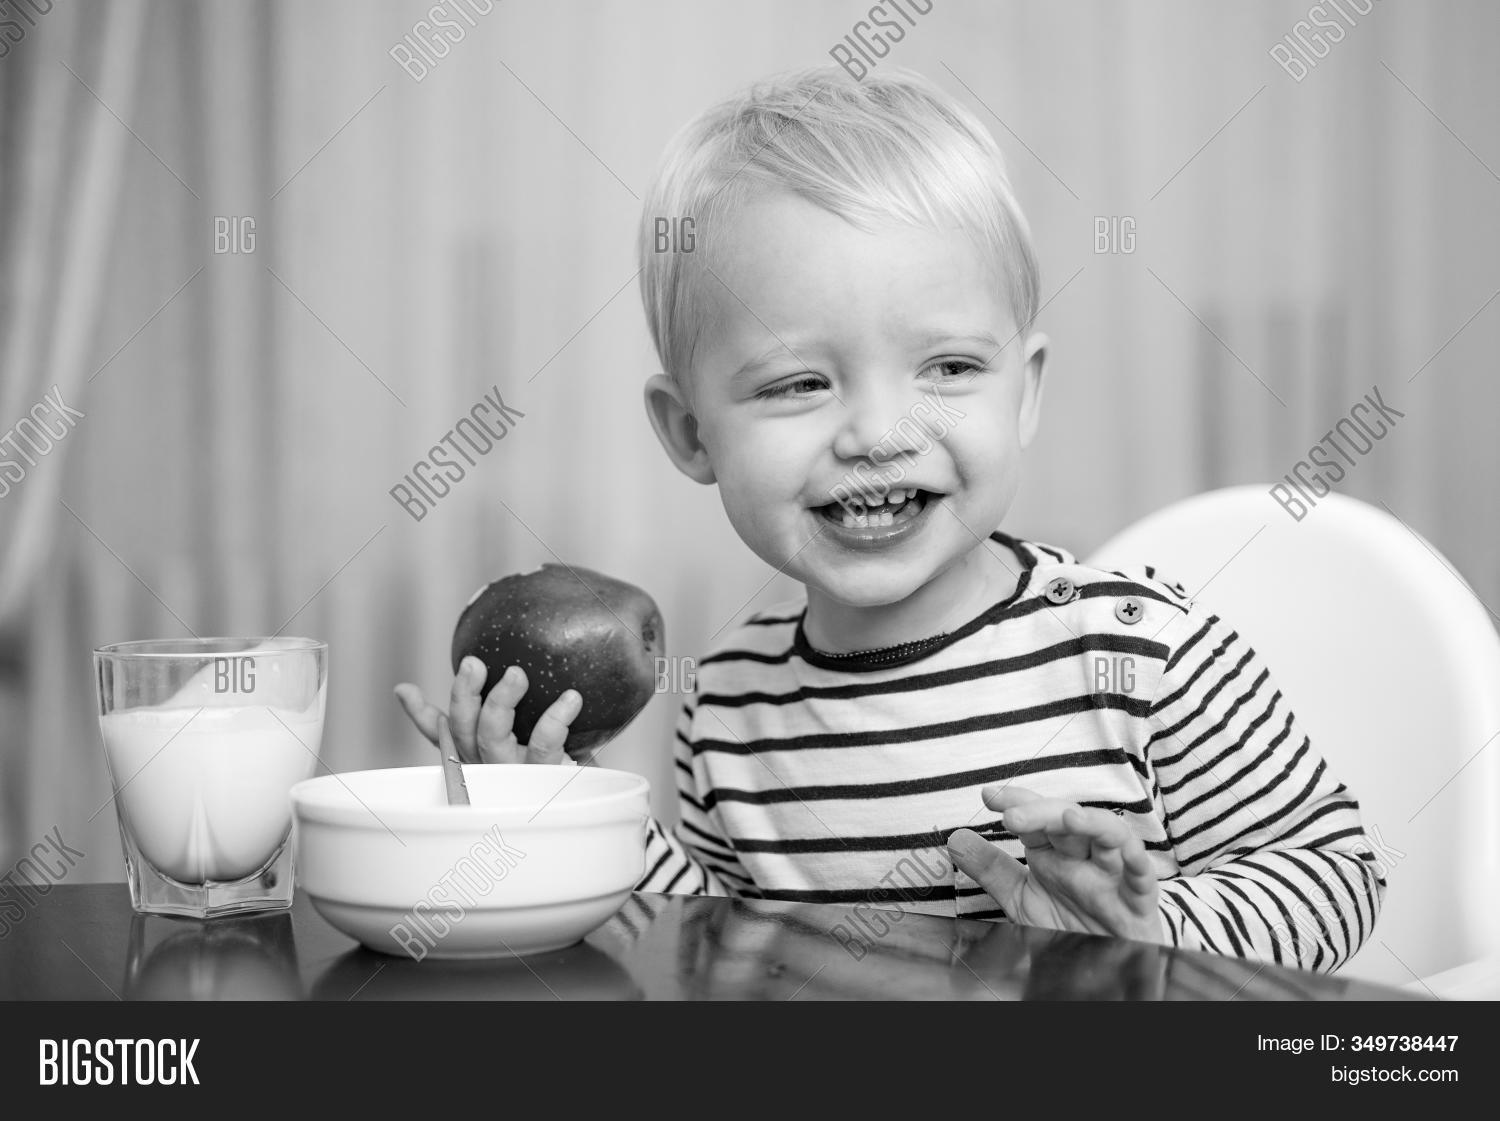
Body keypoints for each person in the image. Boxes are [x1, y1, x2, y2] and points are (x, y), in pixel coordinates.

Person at [397, 66, 1382, 971]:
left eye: (948, 367)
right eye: (798, 383)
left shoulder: (1138, 649)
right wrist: (567, 810)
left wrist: (1152, 929)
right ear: (692, 433)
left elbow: (1340, 875)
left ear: (1023, 391)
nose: (877, 431)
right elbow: (723, 949)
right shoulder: (728, 700)